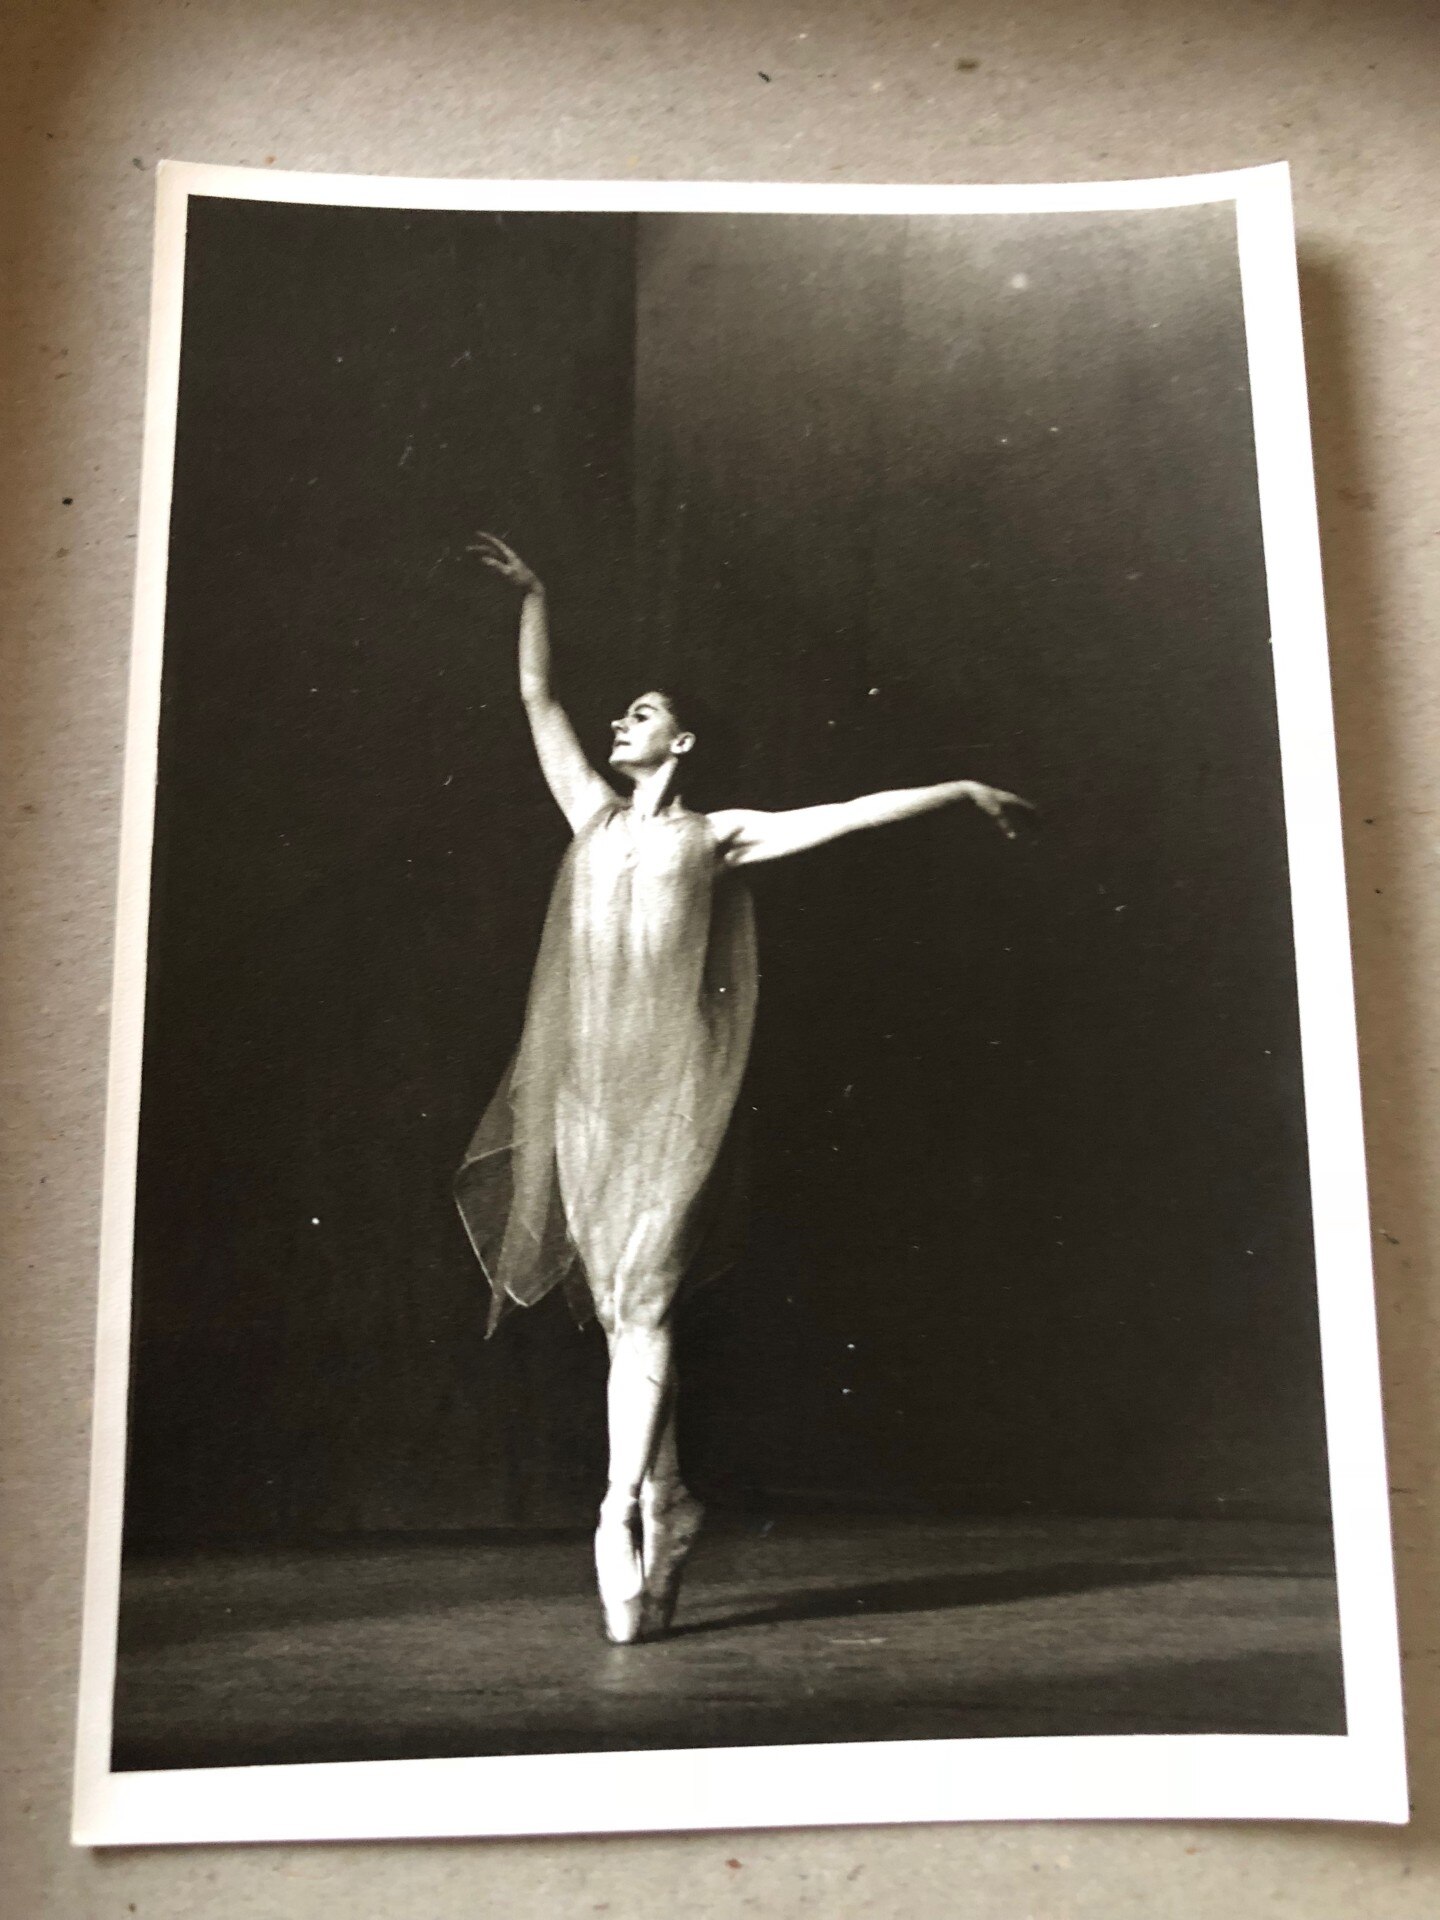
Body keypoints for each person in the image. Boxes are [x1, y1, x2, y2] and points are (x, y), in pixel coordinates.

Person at [455, 533, 1032, 1644]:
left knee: (649, 1303)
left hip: (670, 1097)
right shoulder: (591, 814)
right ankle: (672, 1499)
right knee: (621, 1312)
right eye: (619, 713)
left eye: (643, 712)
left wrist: (957, 788)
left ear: (684, 740)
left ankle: (618, 1509)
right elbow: (537, 695)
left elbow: (854, 813)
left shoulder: (722, 837)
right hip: (581, 1096)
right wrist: (538, 592)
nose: (622, 722)